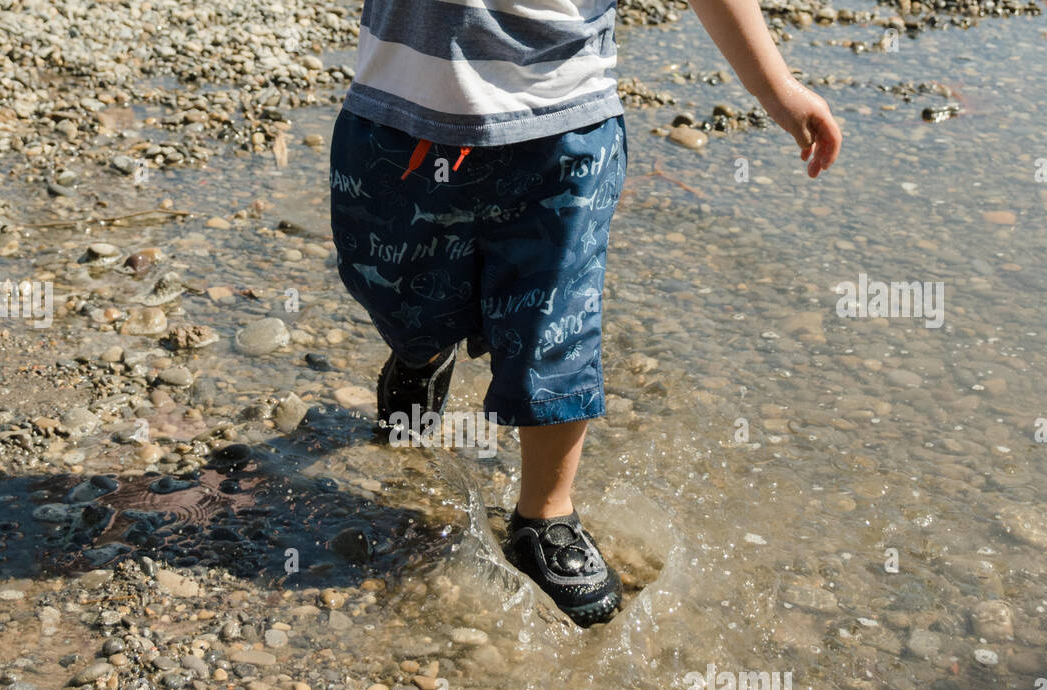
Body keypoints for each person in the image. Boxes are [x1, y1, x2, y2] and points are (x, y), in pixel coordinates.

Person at [329, 0, 841, 625]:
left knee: (555, 326)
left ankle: (545, 514)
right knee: (396, 289)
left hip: (563, 128)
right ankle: (422, 348)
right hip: (399, 115)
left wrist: (776, 85)